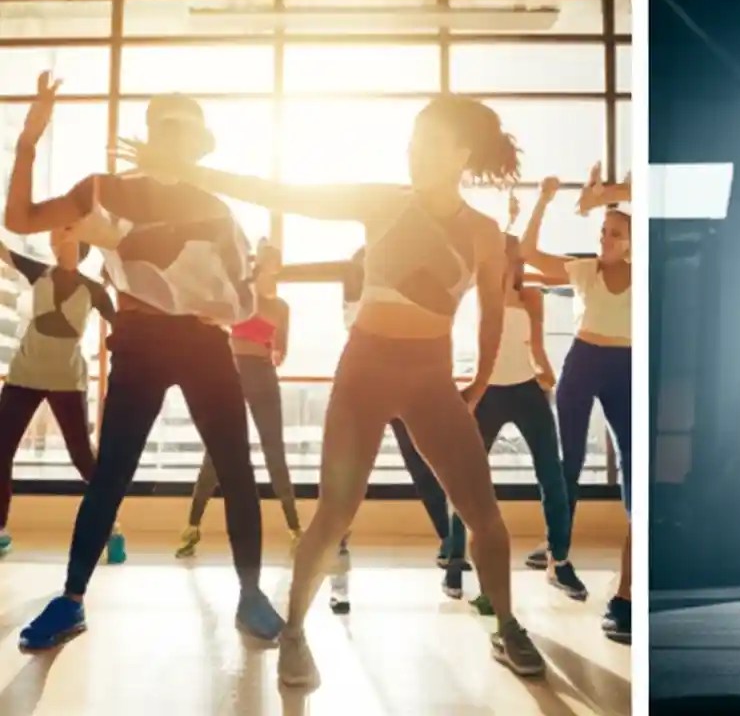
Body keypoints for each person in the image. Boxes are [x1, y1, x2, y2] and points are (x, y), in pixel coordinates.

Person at [117, 94, 546, 685]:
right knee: (333, 515)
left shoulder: (484, 233)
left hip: (431, 376)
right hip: (364, 371)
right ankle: (294, 632)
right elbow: (279, 193)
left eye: (427, 144)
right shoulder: (381, 203)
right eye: (411, 142)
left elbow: (493, 314)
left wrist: (475, 383)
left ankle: (506, 625)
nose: (414, 154)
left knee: (486, 517)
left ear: (460, 155)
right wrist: (188, 171)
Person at [4, 73, 283, 651]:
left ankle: (251, 593)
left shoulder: (214, 207)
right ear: (150, 132)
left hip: (202, 345)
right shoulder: (105, 188)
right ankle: (72, 598)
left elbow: (240, 296)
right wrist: (28, 142)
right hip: (140, 343)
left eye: (182, 133)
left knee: (236, 468)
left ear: (197, 145)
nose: (172, 140)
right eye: (164, 128)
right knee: (111, 473)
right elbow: (21, 219)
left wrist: (225, 308)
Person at [275, 248, 470, 615]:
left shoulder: (406, 281)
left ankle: (451, 553)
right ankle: (339, 580)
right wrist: (276, 269)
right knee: (343, 492)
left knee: (426, 469)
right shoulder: (357, 279)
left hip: (406, 382)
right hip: (364, 386)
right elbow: (323, 268)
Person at [436, 210, 582, 602]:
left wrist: (548, 374)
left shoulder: (532, 297)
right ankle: (454, 563)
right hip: (487, 392)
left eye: (514, 257)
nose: (512, 262)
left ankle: (560, 561)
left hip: (527, 391)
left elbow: (535, 346)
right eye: (505, 255)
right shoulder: (481, 296)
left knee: (552, 475)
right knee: (465, 478)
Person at [519, 170, 632, 643]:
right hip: (583, 361)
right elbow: (527, 254)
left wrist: (608, 196)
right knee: (570, 462)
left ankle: (627, 566)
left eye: (616, 234)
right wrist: (544, 201)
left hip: (625, 365)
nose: (606, 240)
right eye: (603, 232)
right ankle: (557, 554)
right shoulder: (584, 271)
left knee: (632, 463)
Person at [0, 228, 124, 562]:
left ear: (79, 245)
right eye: (57, 236)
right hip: (24, 375)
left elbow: (123, 325)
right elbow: (3, 252)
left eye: (65, 234)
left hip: (67, 380)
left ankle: (110, 528)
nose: (58, 239)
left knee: (83, 456)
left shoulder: (94, 290)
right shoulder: (37, 271)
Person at [176, 240, 302, 557]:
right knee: (216, 453)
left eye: (275, 262)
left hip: (263, 376)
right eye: (267, 261)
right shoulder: (239, 296)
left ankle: (295, 529)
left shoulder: (281, 307)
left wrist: (269, 345)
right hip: (233, 374)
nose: (271, 268)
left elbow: (280, 351)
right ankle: (192, 527)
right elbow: (213, 318)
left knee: (275, 452)